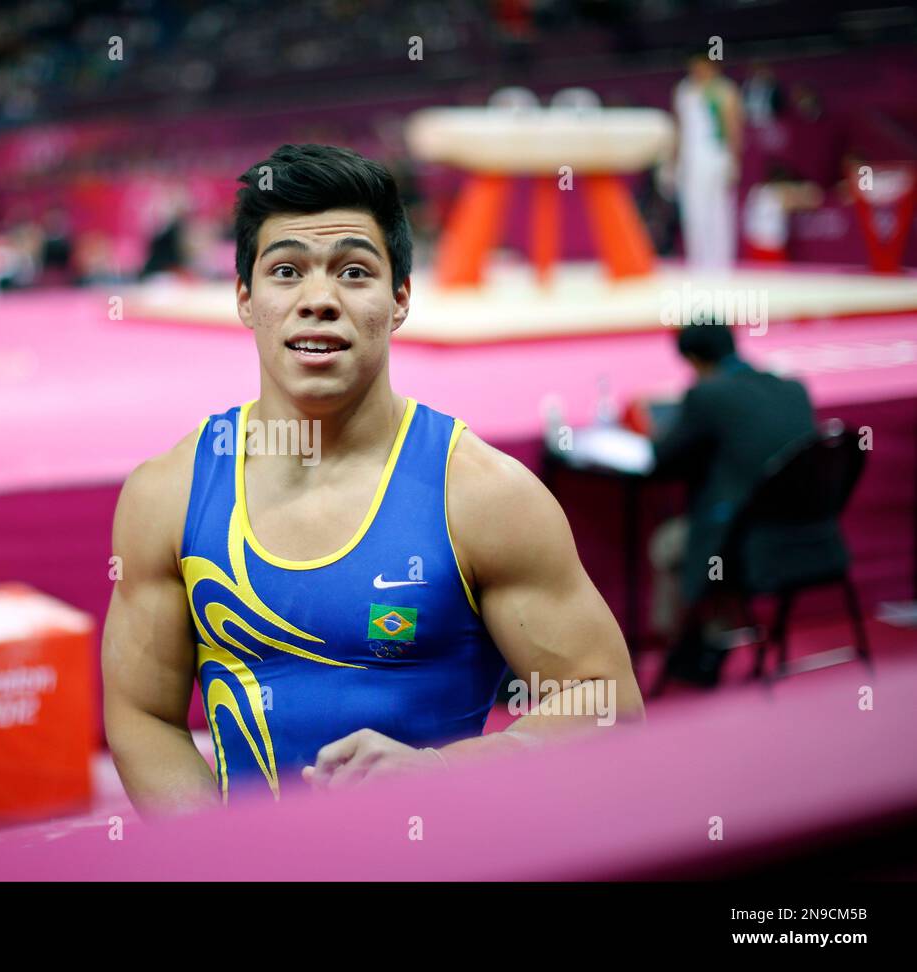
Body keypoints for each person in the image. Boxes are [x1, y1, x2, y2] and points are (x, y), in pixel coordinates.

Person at [102, 144, 643, 815]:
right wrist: (229, 861)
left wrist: (445, 772)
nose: (319, 300)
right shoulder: (168, 493)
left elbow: (608, 701)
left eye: (354, 272)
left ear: (400, 300)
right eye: (286, 271)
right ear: (245, 298)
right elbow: (141, 715)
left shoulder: (483, 497)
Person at [646, 321, 816, 685]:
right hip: (809, 533)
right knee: (715, 528)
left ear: (693, 359)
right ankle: (711, 636)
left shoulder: (705, 395)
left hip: (740, 544)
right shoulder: (793, 388)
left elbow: (661, 459)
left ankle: (682, 644)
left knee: (668, 544)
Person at [673, 48, 743, 273]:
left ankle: (721, 261)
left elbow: (733, 126)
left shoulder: (723, 90)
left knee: (718, 207)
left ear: (713, 67)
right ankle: (698, 260)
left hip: (716, 153)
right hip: (690, 155)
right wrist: (674, 160)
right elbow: (680, 128)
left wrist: (734, 159)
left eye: (702, 66)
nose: (697, 71)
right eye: (694, 67)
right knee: (693, 208)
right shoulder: (683, 90)